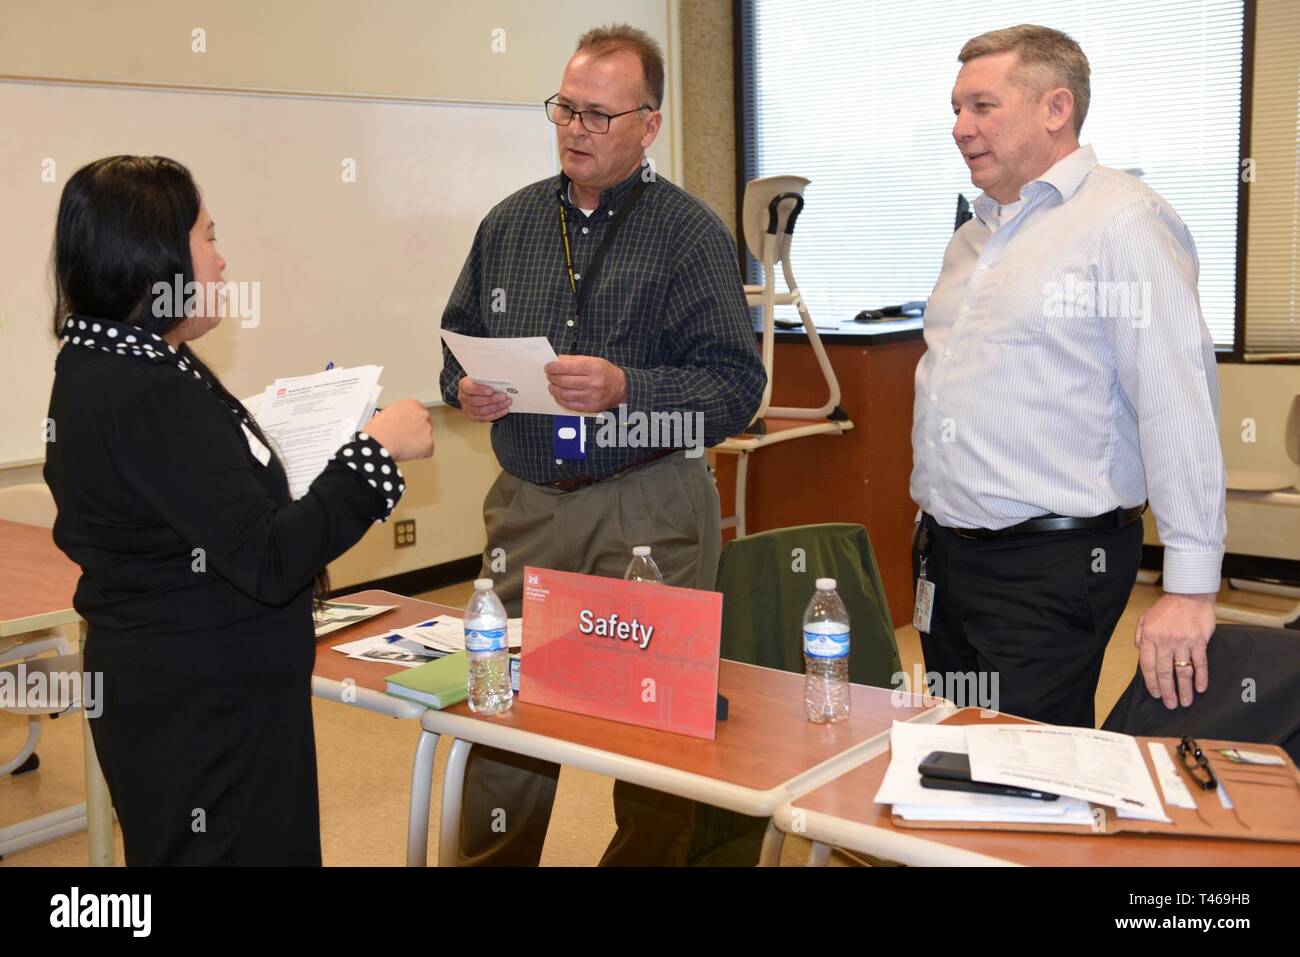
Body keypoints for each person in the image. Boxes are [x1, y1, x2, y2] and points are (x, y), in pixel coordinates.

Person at [43, 155, 435, 864]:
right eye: (208, 237)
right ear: (153, 256)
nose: (222, 263)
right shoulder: (148, 389)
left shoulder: (102, 361)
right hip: (207, 708)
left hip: (174, 688)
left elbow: (189, 500)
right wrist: (375, 454)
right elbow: (269, 559)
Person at [439, 24, 765, 865]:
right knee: (502, 716)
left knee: (652, 731)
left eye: (597, 115)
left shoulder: (689, 234)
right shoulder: (508, 225)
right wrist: (463, 388)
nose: (574, 129)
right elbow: (457, 346)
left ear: (648, 125)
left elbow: (736, 388)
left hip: (648, 504)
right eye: (564, 109)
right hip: (529, 509)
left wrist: (630, 388)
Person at [910, 25, 1226, 727]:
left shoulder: (1124, 222)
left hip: (1050, 564)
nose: (960, 128)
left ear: (1056, 108)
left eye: (983, 107)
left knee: (1026, 777)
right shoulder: (974, 236)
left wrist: (1189, 589)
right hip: (948, 557)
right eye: (955, 110)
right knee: (959, 751)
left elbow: (1177, 405)